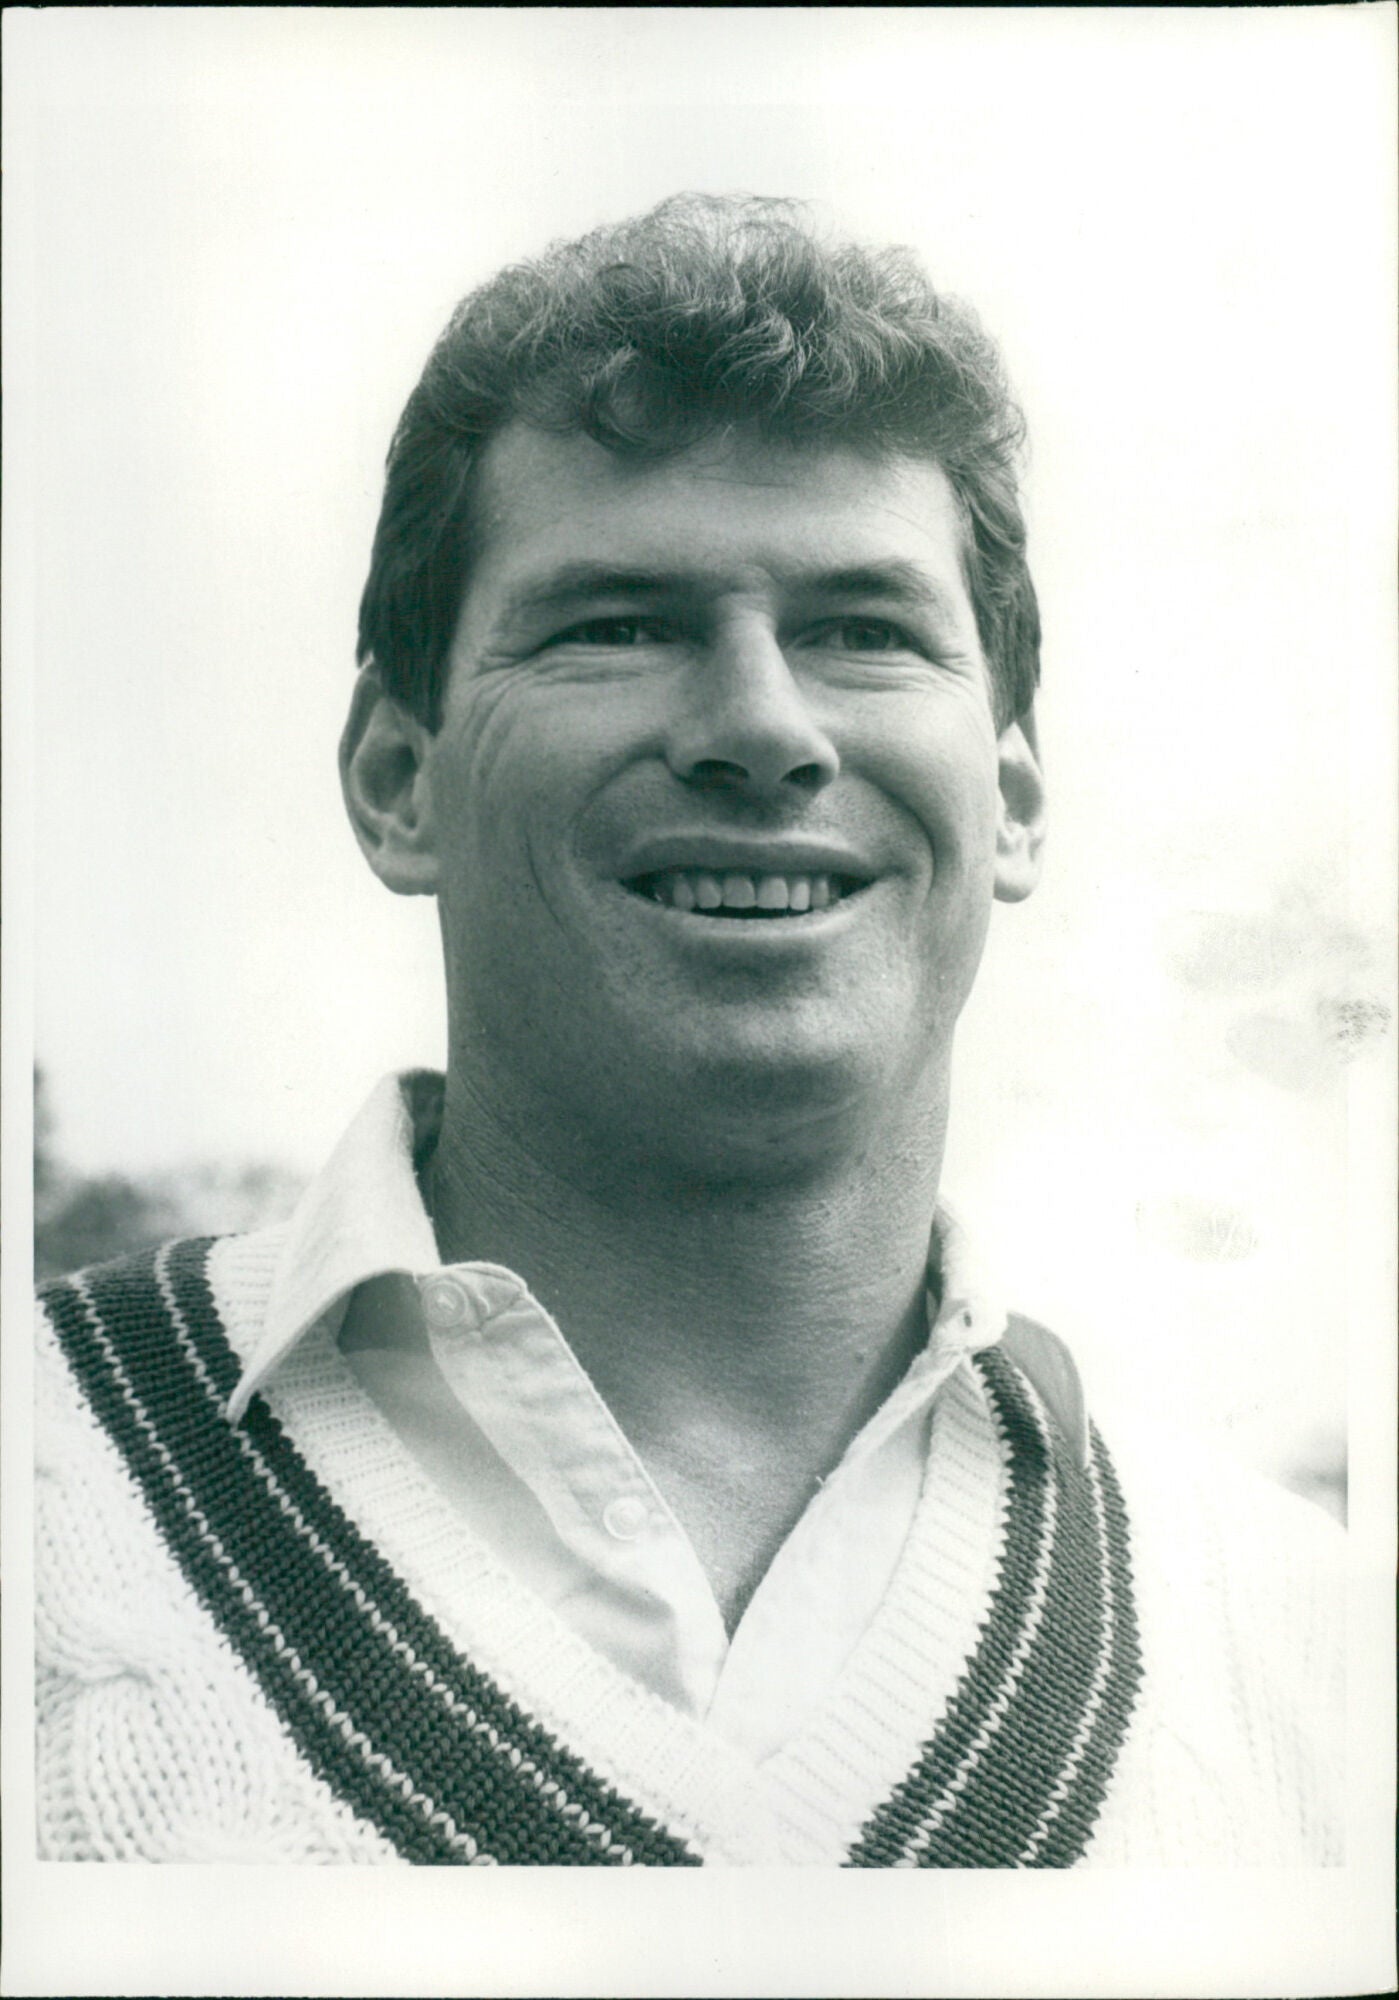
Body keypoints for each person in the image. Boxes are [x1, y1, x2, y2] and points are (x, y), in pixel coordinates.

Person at [35, 194, 1343, 1867]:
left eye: (864, 631)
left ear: (1010, 805)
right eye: (619, 626)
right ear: (393, 779)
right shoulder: (47, 1494)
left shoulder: (1309, 1649)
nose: (763, 729)